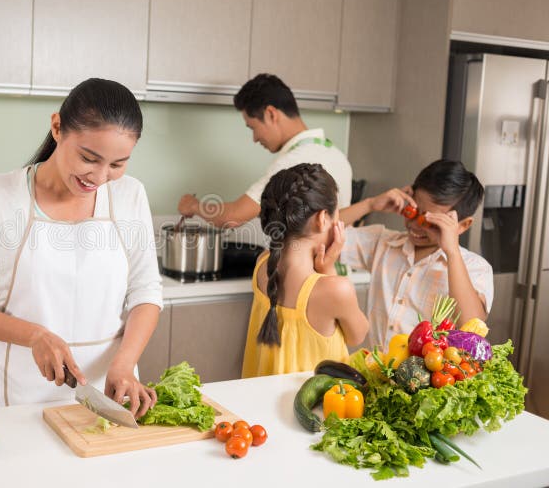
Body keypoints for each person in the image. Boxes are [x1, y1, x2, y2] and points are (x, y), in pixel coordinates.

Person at [0, 78, 163, 419]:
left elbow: (146, 292)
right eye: (89, 158)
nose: (99, 177)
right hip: (21, 400)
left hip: (108, 399)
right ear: (57, 128)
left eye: (117, 164)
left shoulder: (130, 195)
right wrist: (34, 335)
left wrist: (125, 363)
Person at [339, 159, 492, 348]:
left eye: (431, 223)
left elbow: (472, 330)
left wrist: (452, 252)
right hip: (375, 365)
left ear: (463, 225)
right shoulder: (382, 243)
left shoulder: (475, 267)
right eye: (413, 212)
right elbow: (319, 234)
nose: (415, 225)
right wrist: (369, 205)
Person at [242, 163, 369, 377]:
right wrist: (329, 269)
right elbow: (358, 335)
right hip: (313, 399)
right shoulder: (336, 289)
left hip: (259, 396)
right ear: (322, 219)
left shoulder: (262, 263)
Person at [177, 74, 353, 228]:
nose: (254, 138)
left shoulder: (294, 162)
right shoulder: (336, 154)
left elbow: (232, 218)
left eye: (252, 127)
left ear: (271, 114)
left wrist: (193, 206)